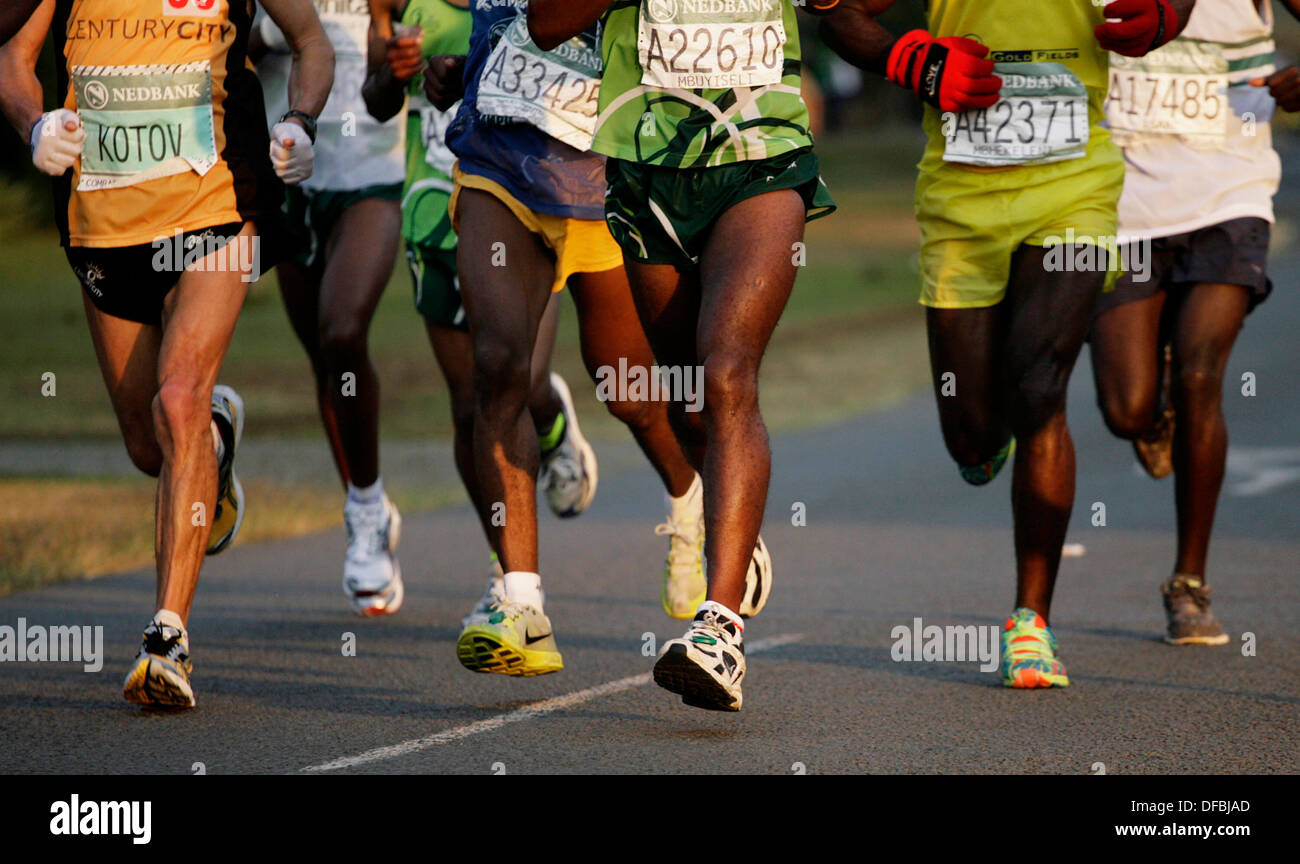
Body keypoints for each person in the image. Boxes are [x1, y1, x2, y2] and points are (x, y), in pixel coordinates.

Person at [819, 0, 1193, 687]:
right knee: (970, 436)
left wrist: (1170, 11)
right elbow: (837, 15)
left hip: (1073, 186)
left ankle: (1030, 623)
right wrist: (914, 61)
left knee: (1038, 390)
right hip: (961, 203)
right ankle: (980, 437)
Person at [0, 0, 332, 707]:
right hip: (102, 221)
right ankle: (215, 435)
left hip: (216, 206)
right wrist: (34, 126)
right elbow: (12, 60)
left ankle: (166, 638)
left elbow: (310, 39)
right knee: (151, 446)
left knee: (176, 399)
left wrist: (300, 121)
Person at [419, 0, 752, 679]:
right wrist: (467, 69)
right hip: (499, 159)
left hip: (603, 176)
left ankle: (692, 498)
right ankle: (520, 604)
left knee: (627, 388)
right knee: (498, 366)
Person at [531, 0, 836, 711]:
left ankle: (719, 631)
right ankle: (736, 525)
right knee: (690, 401)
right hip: (648, 170)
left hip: (761, 157)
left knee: (727, 372)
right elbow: (544, 22)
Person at [1092, 0, 1299, 645]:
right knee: (1127, 411)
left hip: (1230, 193)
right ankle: (1154, 414)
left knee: (1200, 377)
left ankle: (1189, 584)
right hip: (1119, 205)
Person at [254, 0, 409, 617]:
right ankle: (364, 500)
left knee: (343, 330)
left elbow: (399, 55)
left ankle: (367, 512)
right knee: (324, 357)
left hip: (369, 174)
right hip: (286, 176)